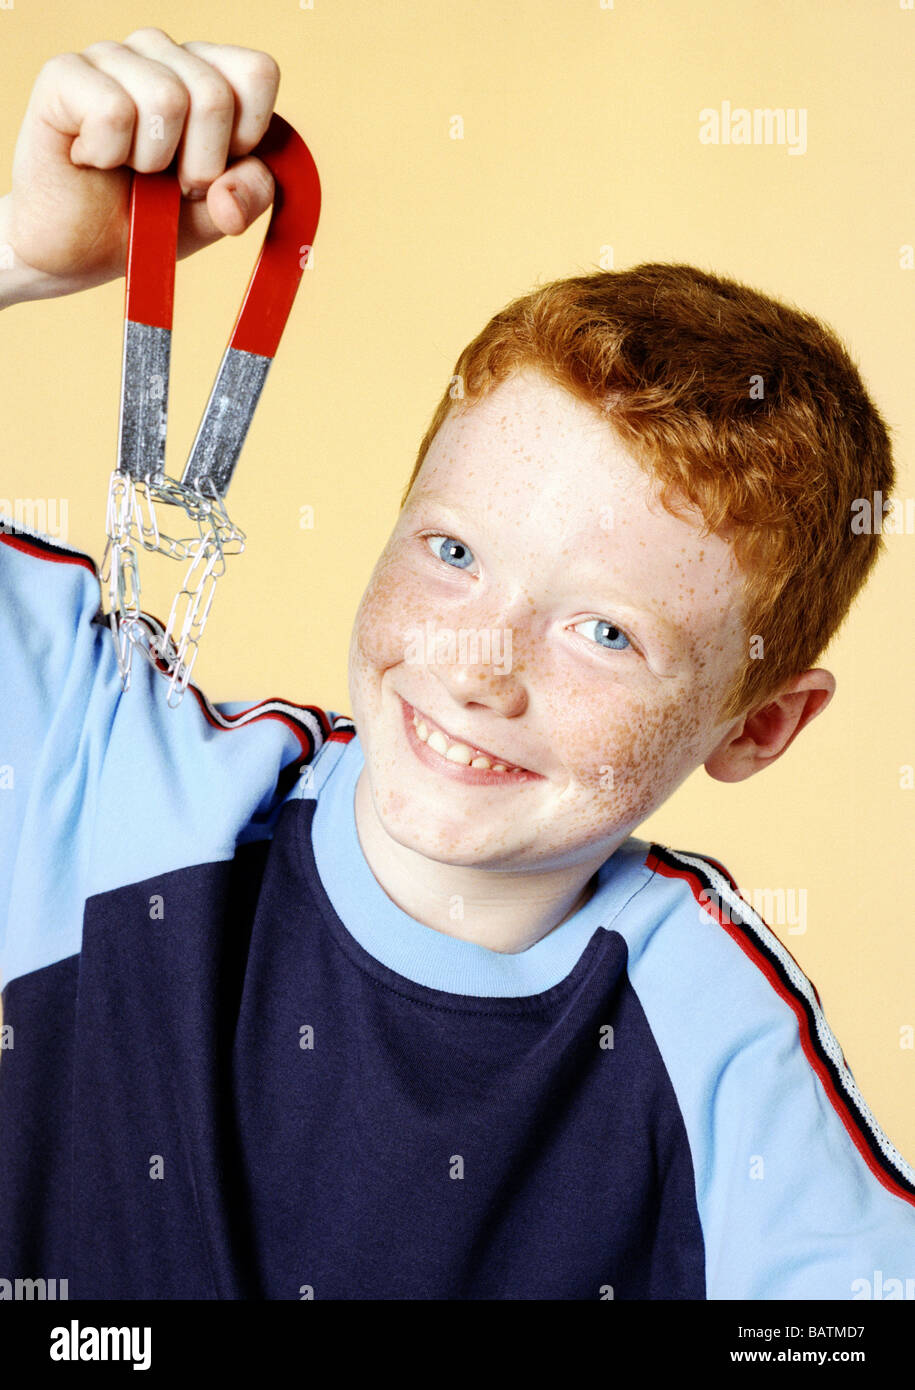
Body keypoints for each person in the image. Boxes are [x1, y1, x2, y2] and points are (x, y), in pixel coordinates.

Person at [1, 27, 912, 1301]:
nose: (484, 666)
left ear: (757, 725)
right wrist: (19, 256)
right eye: (452, 550)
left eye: (607, 631)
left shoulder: (712, 1039)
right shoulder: (95, 766)